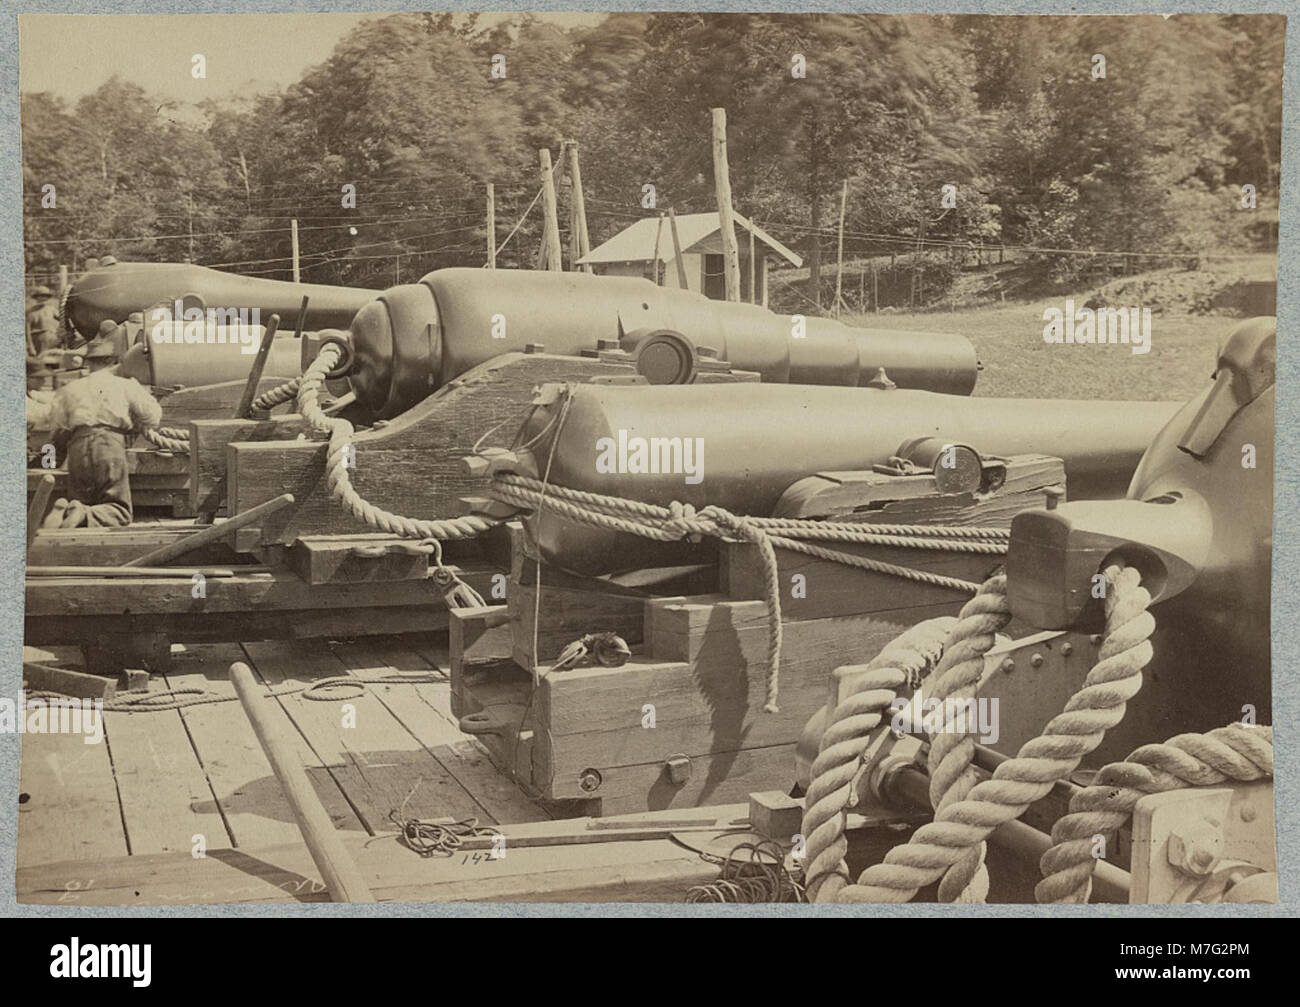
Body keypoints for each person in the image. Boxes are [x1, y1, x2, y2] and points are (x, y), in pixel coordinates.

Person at [43, 335, 162, 528]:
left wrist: (48, 464)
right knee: (119, 511)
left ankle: (72, 508)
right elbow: (153, 416)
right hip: (109, 446)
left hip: (77, 449)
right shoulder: (125, 385)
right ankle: (82, 513)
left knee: (83, 500)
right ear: (113, 360)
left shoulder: (70, 389)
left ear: (88, 362)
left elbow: (56, 430)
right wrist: (134, 424)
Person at [25, 285, 61, 356]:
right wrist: (31, 346)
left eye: (46, 296)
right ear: (36, 297)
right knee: (40, 360)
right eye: (41, 296)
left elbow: (63, 319)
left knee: (54, 359)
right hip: (38, 340)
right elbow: (27, 332)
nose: (44, 298)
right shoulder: (30, 312)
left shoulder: (52, 309)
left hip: (52, 338)